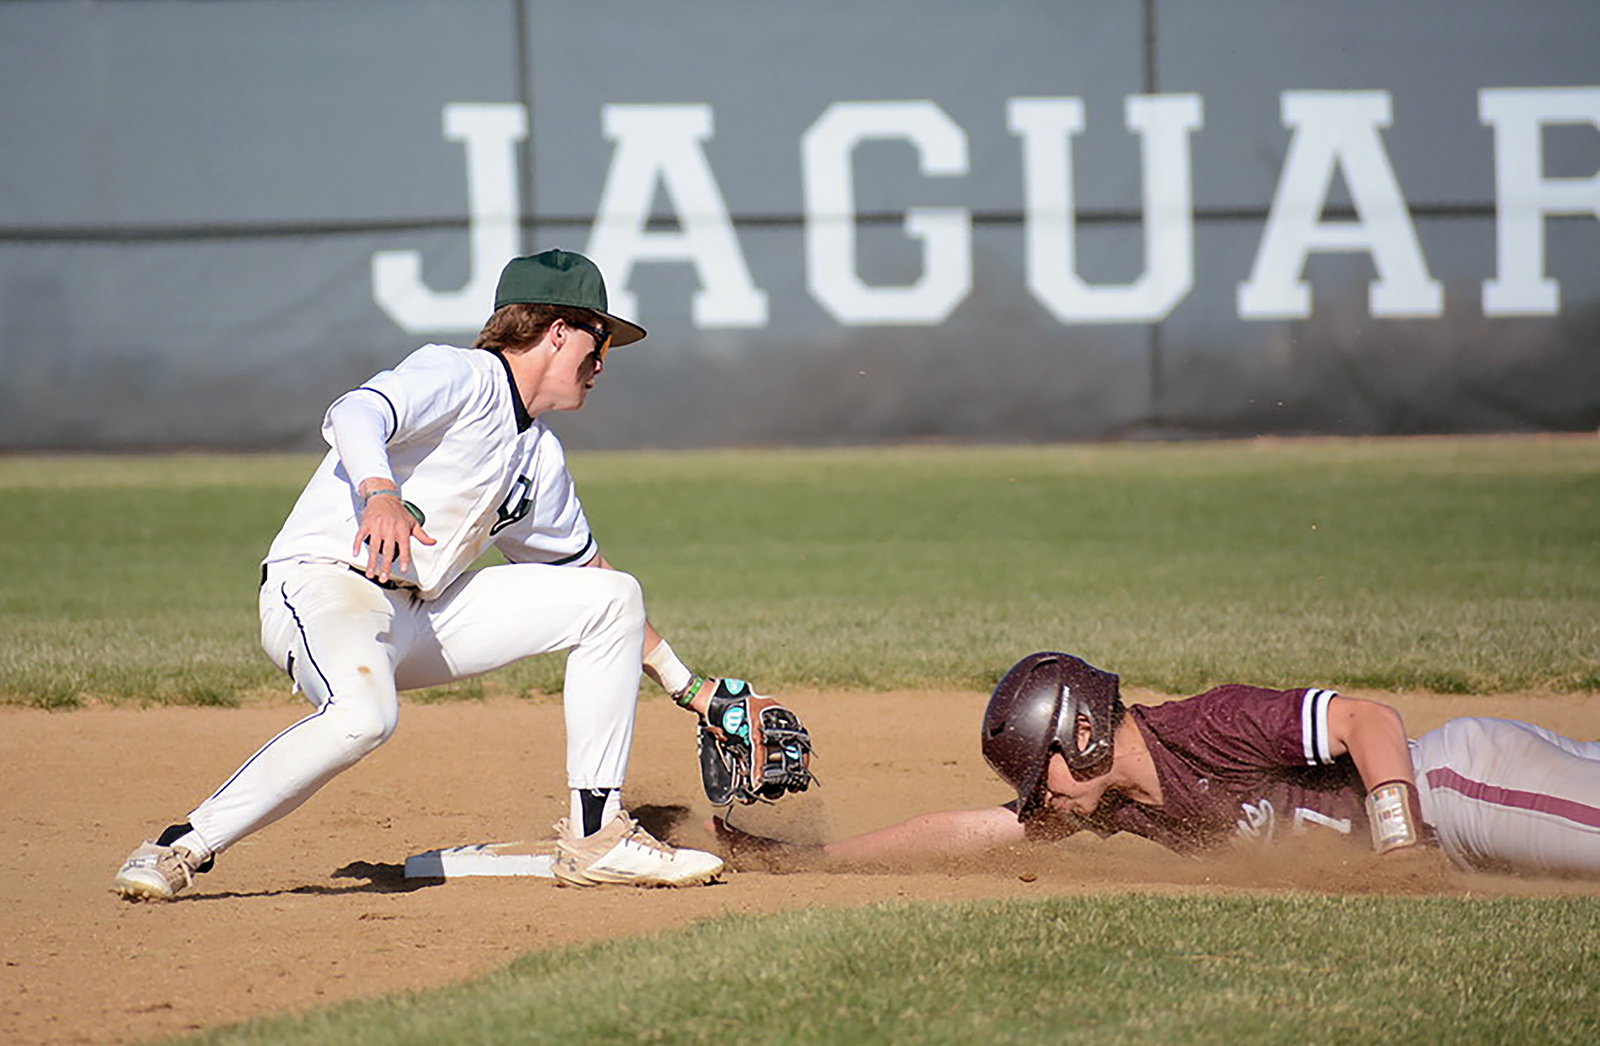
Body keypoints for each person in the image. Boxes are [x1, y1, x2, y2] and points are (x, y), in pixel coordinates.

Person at [115, 249, 759, 899]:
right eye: (599, 343)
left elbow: (588, 573)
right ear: (558, 331)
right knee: (363, 719)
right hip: (324, 586)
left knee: (611, 594)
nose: (603, 364)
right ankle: (179, 848)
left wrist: (694, 690)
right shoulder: (463, 375)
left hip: (421, 614)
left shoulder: (539, 457)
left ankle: (596, 838)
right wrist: (378, 492)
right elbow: (353, 413)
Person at [719, 651, 1600, 878]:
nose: (1036, 802)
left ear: (1085, 740)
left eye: (1039, 776)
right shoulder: (1113, 802)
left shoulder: (1208, 727)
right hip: (1466, 815)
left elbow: (1371, 721)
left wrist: (1400, 844)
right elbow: (967, 832)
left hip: (1464, 788)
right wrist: (816, 859)